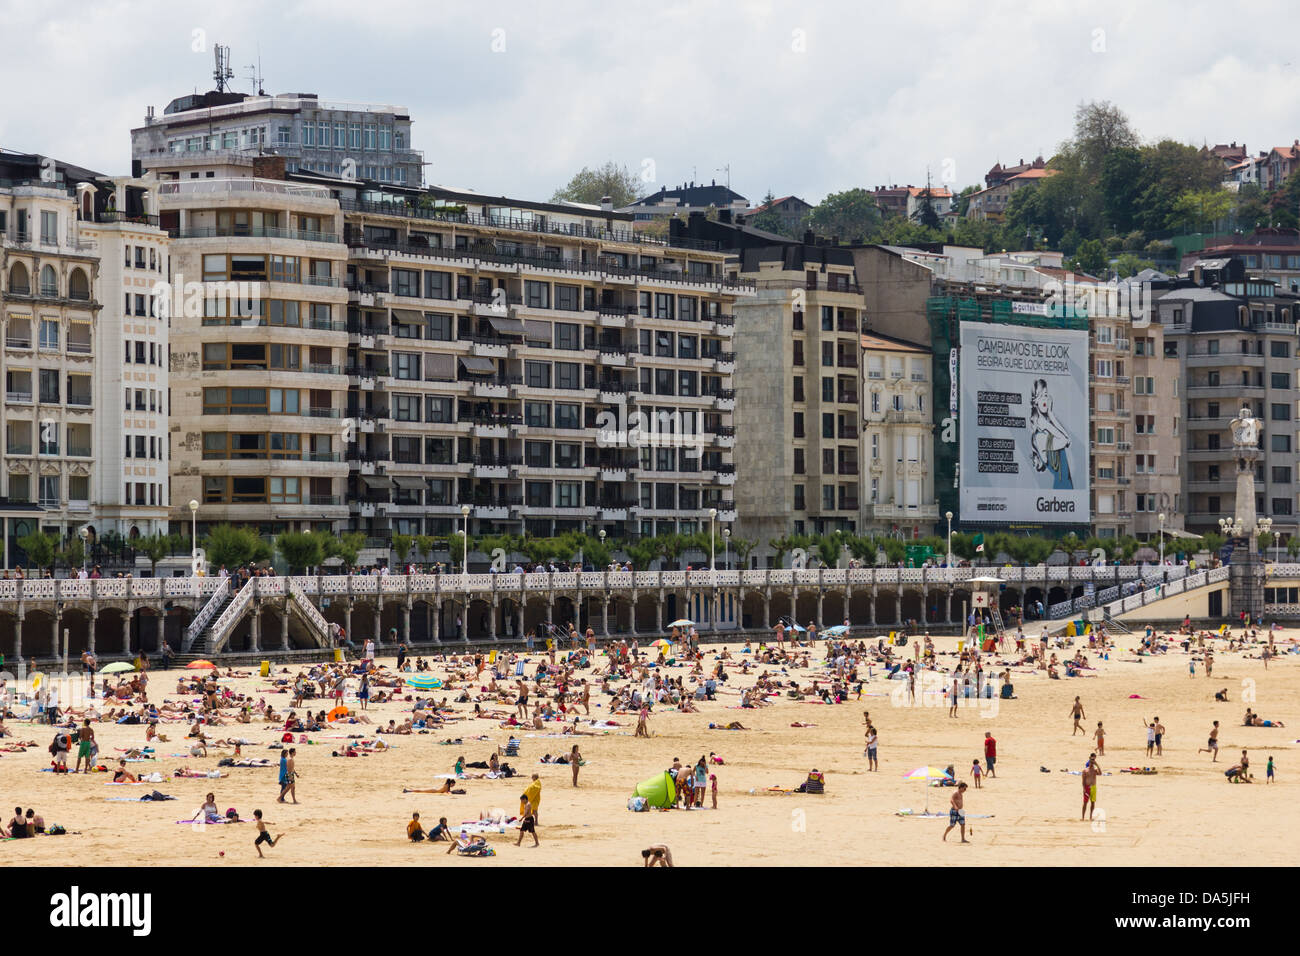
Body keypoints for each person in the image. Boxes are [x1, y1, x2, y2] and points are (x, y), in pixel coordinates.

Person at [1081, 754, 1101, 821]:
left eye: (1094, 760)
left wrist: (1097, 765)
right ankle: (1083, 817)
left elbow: (1100, 773)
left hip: (1093, 787)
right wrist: (1084, 788)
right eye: (1091, 760)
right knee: (1085, 803)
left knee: (1093, 803)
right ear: (1089, 760)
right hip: (1087, 787)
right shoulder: (1085, 770)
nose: (1092, 761)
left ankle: (1091, 817)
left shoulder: (1095, 770)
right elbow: (1083, 781)